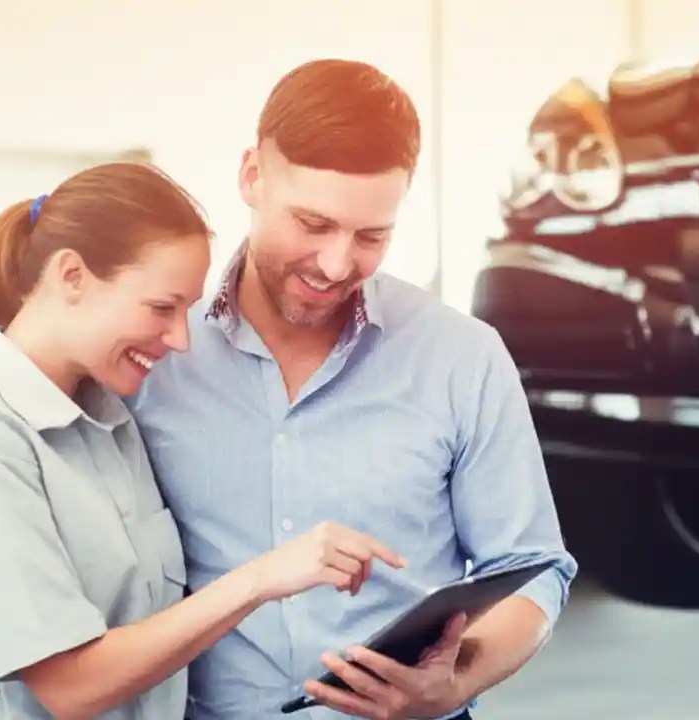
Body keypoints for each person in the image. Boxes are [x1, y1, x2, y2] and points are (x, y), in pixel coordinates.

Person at [125, 59, 579, 719]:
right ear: (251, 176)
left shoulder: (462, 357)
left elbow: (533, 568)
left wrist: (455, 682)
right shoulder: (154, 355)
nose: (337, 265)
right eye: (312, 224)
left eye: (372, 236)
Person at [0, 161, 407, 720]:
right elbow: (71, 687)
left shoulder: (109, 419)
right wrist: (261, 579)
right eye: (162, 308)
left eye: (186, 311)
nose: (181, 339)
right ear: (72, 276)